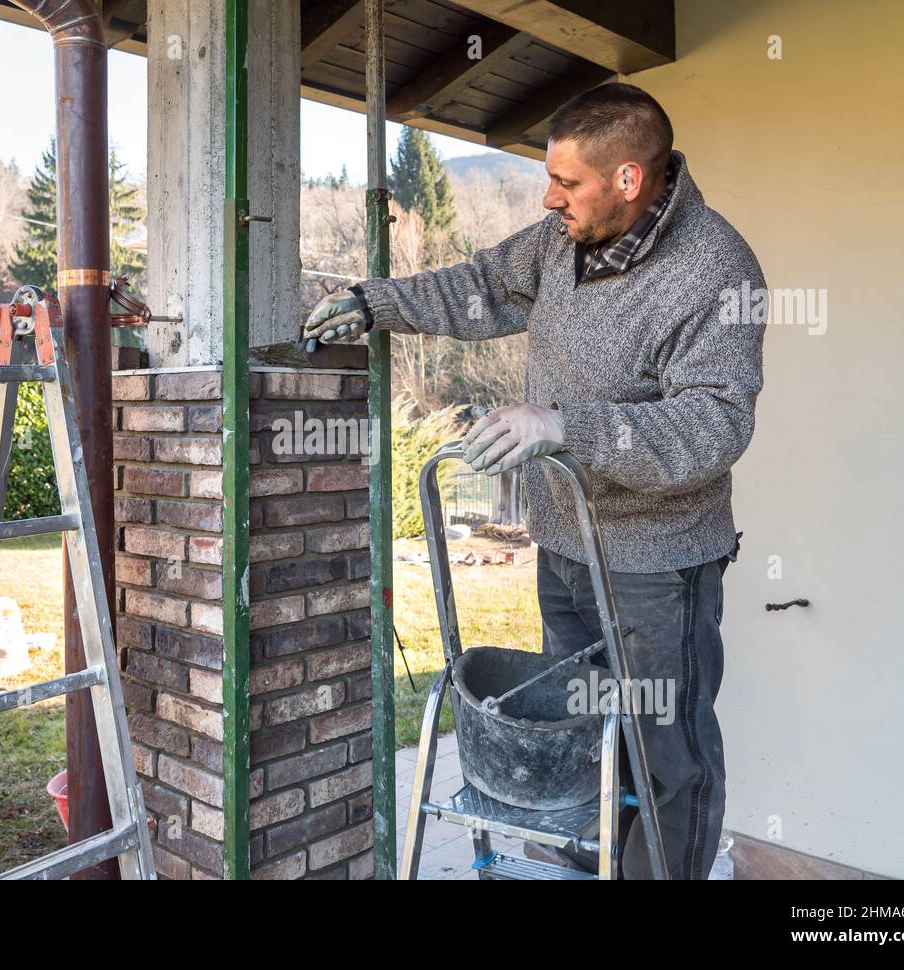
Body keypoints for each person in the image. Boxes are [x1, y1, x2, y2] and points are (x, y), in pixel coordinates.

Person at [303, 83, 767, 880]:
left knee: (668, 756)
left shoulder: (715, 270)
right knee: (586, 734)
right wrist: (373, 302)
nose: (549, 198)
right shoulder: (563, 241)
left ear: (628, 179)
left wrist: (562, 426)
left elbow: (716, 426)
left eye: (567, 183)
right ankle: (591, 864)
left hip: (656, 563)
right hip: (565, 541)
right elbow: (479, 287)